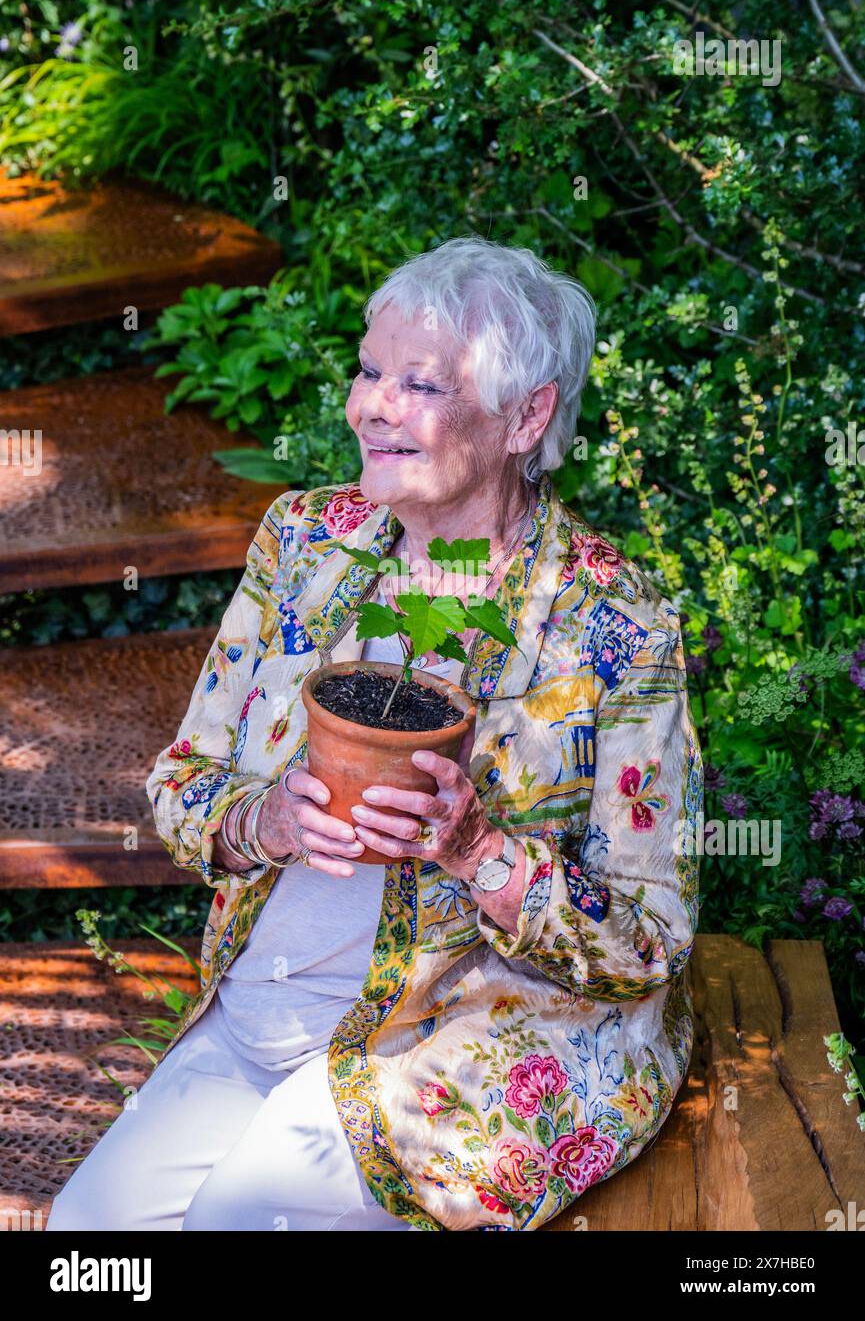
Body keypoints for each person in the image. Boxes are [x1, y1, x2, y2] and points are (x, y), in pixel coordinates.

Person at [47, 235, 702, 1233]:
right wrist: (262, 820)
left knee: (240, 1217)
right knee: (92, 1233)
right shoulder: (306, 537)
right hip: (266, 1008)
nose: (369, 405)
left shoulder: (614, 623)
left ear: (526, 415)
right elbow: (184, 778)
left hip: (463, 1037)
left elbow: (646, 938)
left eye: (419, 384)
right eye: (367, 370)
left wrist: (477, 850)